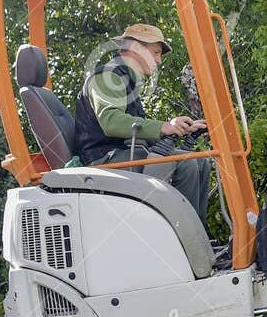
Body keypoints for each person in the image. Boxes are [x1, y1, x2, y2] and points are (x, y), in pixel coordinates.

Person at [73, 23, 211, 220]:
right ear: (136, 48)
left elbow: (139, 127)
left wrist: (180, 129)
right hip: (104, 158)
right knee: (185, 166)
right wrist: (164, 126)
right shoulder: (107, 76)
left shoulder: (127, 81)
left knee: (199, 162)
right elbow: (111, 121)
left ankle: (197, 235)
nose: (159, 61)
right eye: (155, 53)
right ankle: (178, 239)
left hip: (127, 153)